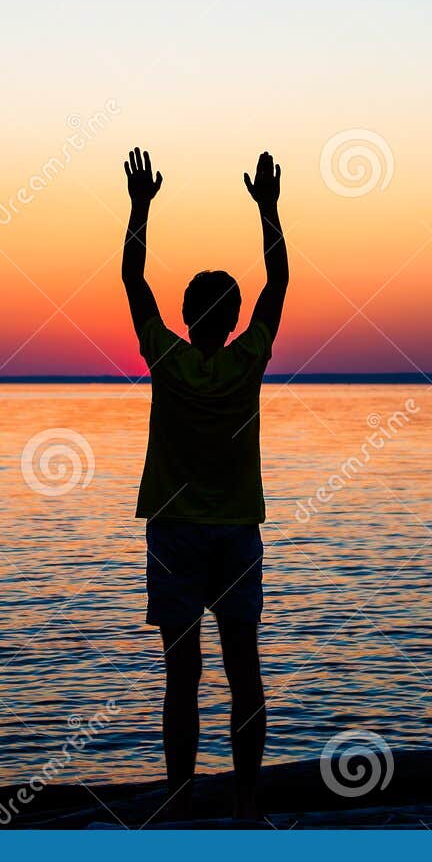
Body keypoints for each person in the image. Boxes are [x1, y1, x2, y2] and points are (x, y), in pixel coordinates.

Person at [120, 146, 288, 821]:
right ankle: (247, 804)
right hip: (236, 535)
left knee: (181, 675)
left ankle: (181, 803)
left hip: (176, 535)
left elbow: (133, 281)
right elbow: (279, 282)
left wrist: (140, 206)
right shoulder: (248, 358)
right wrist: (269, 210)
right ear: (233, 319)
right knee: (242, 671)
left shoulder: (167, 360)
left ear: (188, 317)